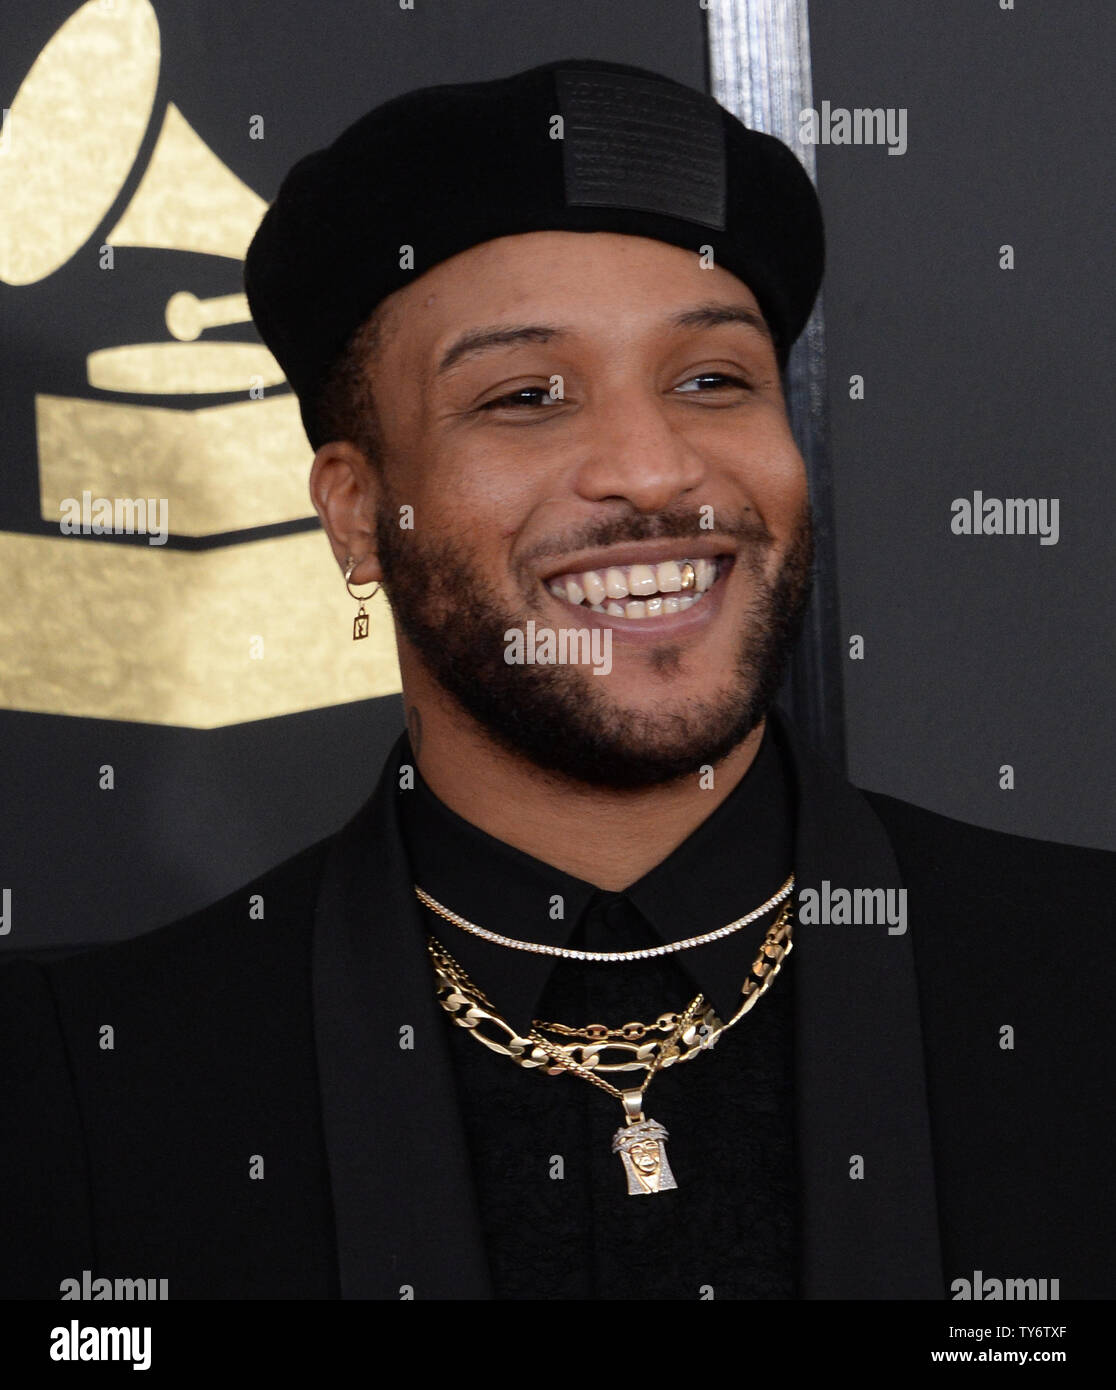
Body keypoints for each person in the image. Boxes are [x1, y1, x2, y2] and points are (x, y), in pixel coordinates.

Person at [1, 58, 1112, 1302]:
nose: (651, 468)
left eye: (712, 380)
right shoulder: (88, 1083)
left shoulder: (1082, 981)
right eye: (527, 396)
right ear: (359, 516)